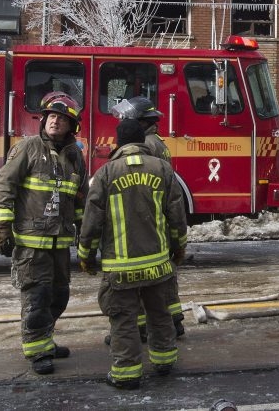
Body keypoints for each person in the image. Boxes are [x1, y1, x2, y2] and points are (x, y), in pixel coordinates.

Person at [78, 119, 189, 390]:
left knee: (124, 320)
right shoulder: (162, 169)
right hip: (157, 265)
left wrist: (86, 255)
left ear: (119, 142)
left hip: (120, 269)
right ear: (142, 140)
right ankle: (164, 361)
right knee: (159, 313)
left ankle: (126, 375)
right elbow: (177, 217)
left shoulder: (105, 173)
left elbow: (91, 221)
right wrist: (178, 249)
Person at [0, 92, 87, 375]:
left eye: (62, 119)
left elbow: (79, 198)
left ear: (72, 127)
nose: (55, 122)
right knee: (37, 295)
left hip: (59, 242)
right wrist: (1, 225)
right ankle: (36, 350)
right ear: (43, 120)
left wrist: (83, 230)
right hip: (31, 241)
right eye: (52, 117)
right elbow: (4, 183)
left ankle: (45, 338)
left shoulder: (74, 156)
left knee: (59, 295)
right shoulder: (28, 148)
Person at [109, 96, 185, 338]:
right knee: (163, 276)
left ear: (139, 122)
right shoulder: (157, 142)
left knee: (141, 278)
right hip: (158, 217)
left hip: (142, 218)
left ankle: (140, 328)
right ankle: (174, 321)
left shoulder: (146, 145)